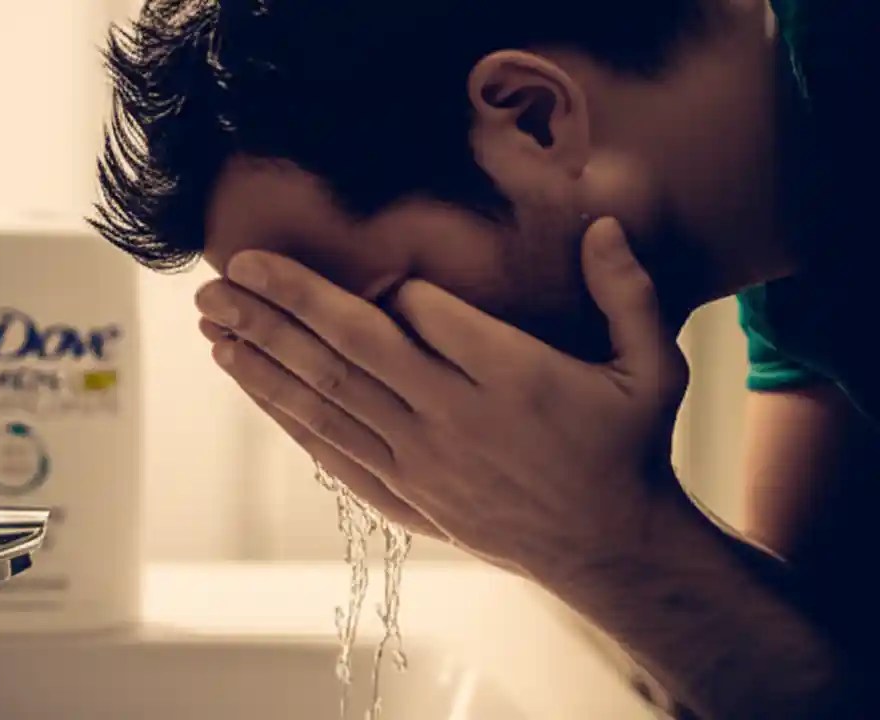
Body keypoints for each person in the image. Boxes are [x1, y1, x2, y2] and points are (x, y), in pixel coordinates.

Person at [90, 0, 880, 717]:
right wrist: (573, 535)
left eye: (382, 307)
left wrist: (606, 538)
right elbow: (813, 665)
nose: (377, 371)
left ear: (532, 119)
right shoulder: (794, 255)